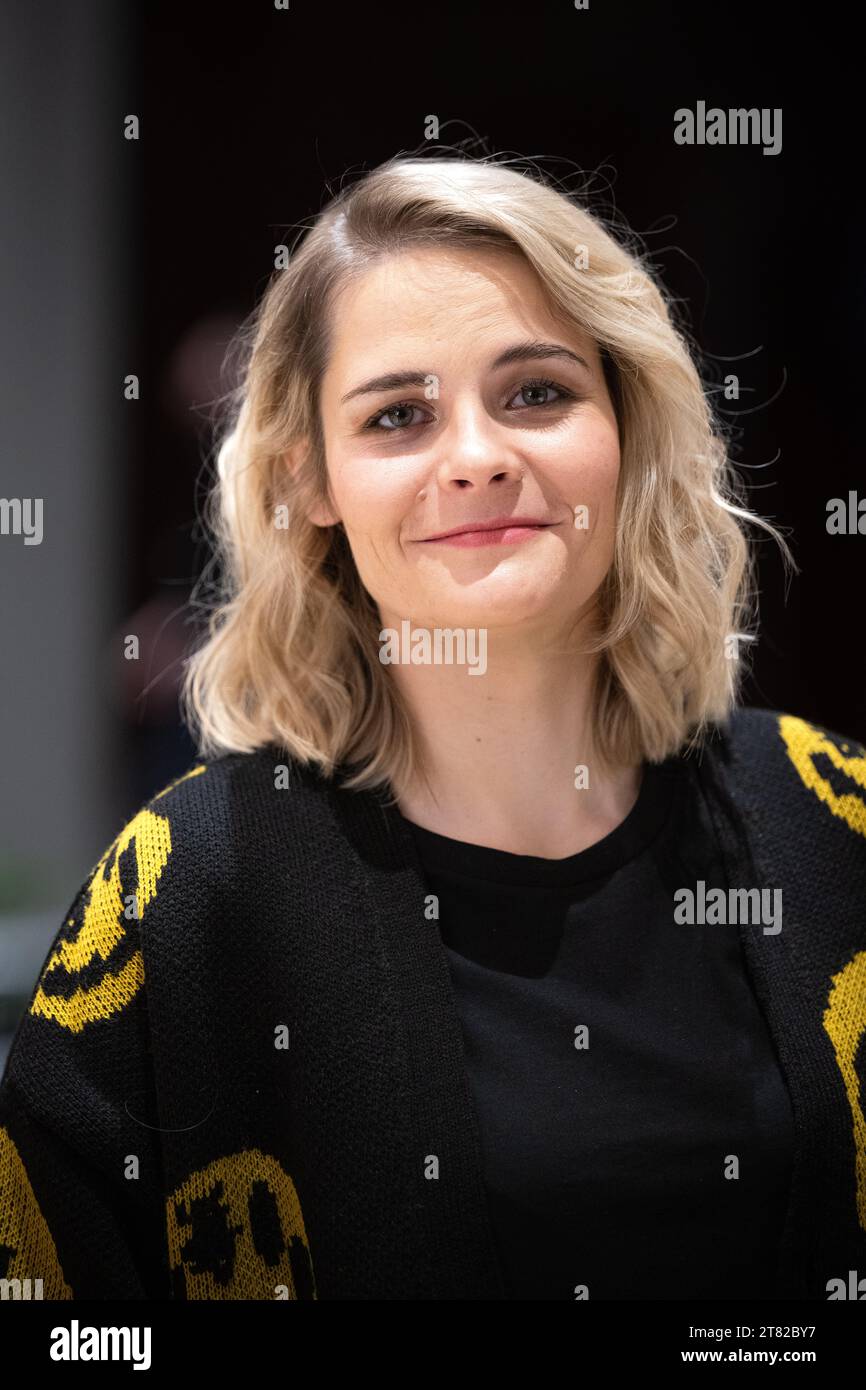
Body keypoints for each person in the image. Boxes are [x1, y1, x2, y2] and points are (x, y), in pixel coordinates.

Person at [1, 155, 864, 1302]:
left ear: (625, 427)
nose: (476, 457)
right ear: (310, 479)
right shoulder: (190, 888)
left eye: (536, 393)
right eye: (398, 415)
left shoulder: (829, 817)